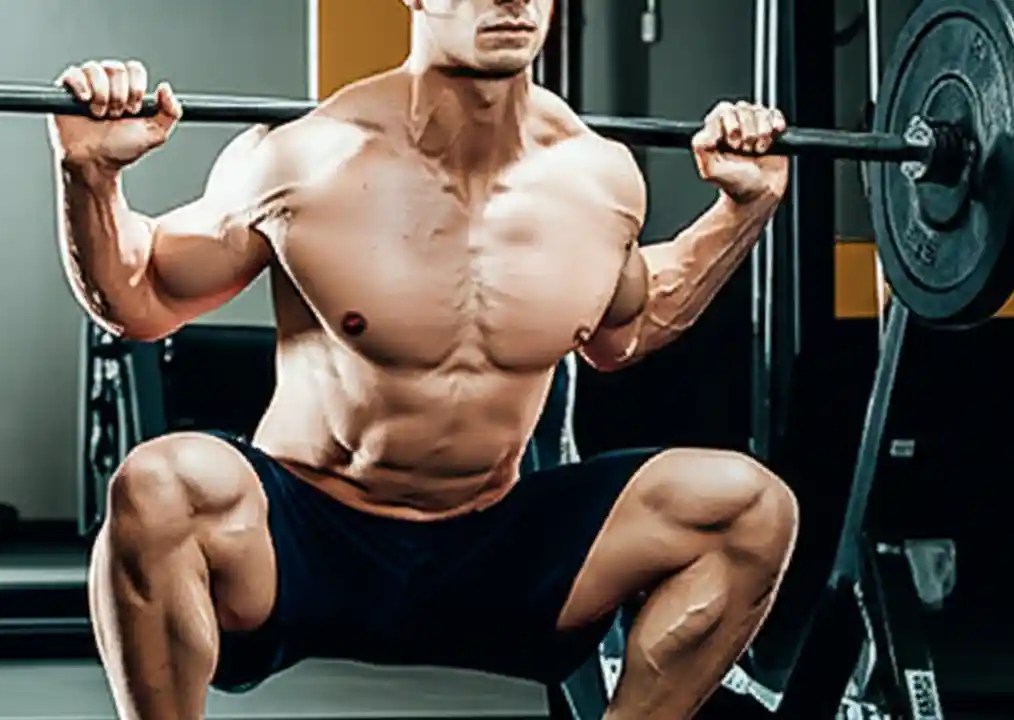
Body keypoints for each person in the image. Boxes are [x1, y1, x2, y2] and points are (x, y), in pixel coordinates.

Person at [48, 1, 798, 718]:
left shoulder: (598, 179)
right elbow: (143, 296)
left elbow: (623, 332)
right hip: (305, 542)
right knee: (159, 485)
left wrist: (742, 211)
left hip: (490, 544)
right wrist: (90, 176)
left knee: (748, 509)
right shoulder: (306, 157)